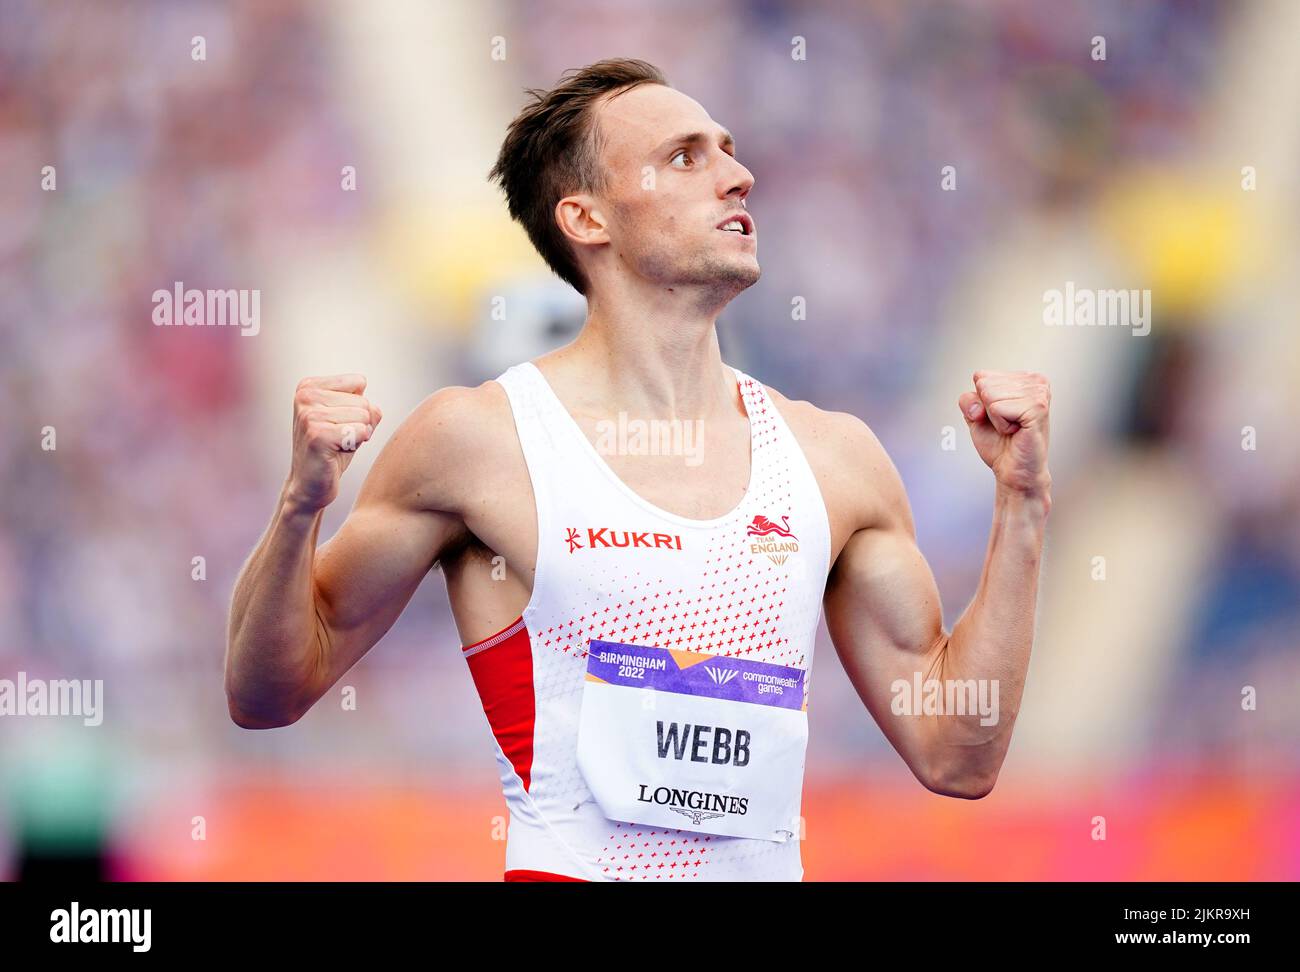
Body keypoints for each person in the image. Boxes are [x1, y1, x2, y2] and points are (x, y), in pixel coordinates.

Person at [223, 58, 1052, 882]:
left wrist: (1021, 504)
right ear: (586, 218)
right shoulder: (479, 441)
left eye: (728, 150)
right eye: (686, 157)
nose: (738, 175)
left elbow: (957, 756)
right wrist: (300, 509)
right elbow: (267, 696)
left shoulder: (835, 461)